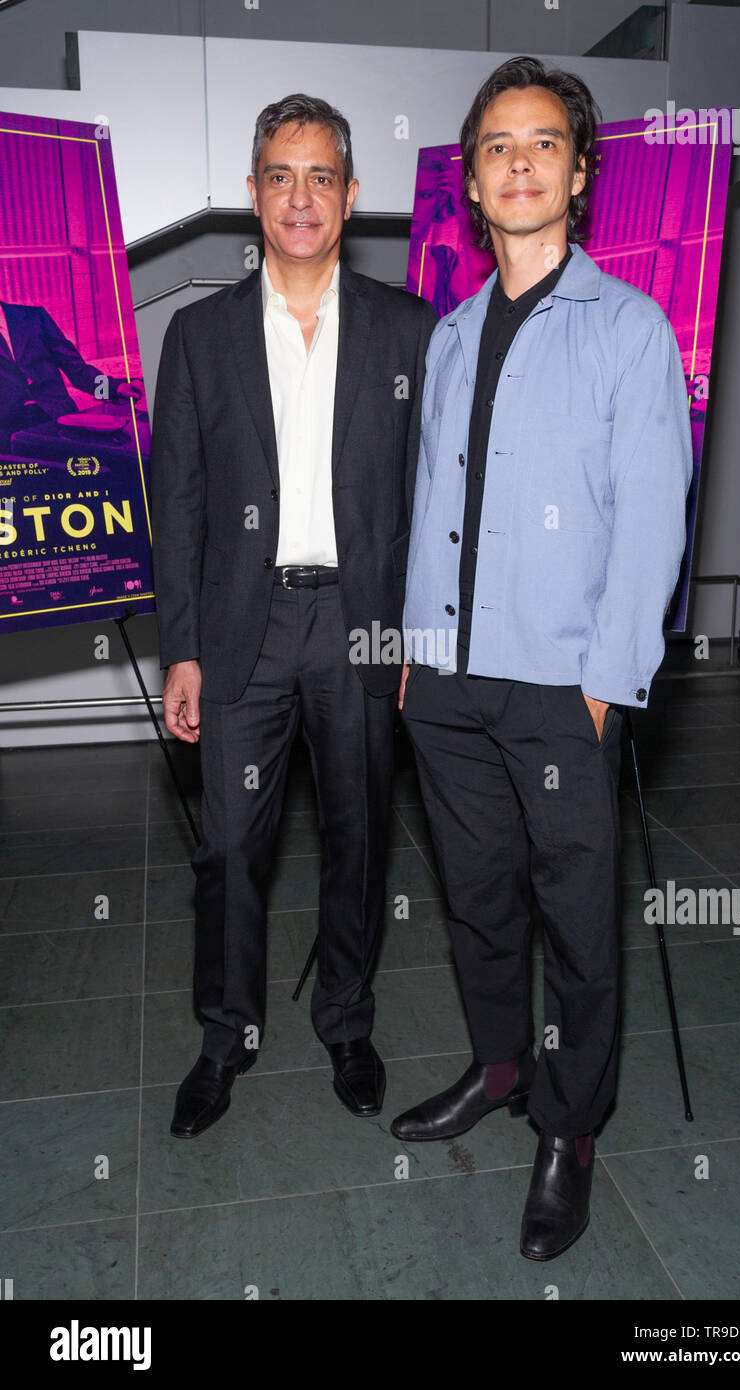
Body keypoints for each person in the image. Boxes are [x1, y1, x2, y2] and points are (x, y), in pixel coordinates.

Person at [394, 56, 693, 1260]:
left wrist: (604, 684)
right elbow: (430, 504)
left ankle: (568, 1129)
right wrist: (416, 653)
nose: (518, 163)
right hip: (448, 684)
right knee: (475, 899)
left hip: (561, 680)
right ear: (469, 182)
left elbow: (653, 519)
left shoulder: (626, 327)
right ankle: (499, 1062)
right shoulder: (453, 334)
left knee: (573, 916)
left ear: (577, 175)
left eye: (542, 145)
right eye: (495, 147)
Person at [149, 94, 436, 1139]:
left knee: (359, 838)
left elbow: (430, 501)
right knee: (228, 847)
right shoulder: (199, 336)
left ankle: (346, 1023)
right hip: (239, 629)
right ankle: (224, 1038)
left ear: (351, 196)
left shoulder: (409, 329)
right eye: (281, 174)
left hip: (361, 628)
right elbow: (173, 501)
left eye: (321, 176)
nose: (300, 195)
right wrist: (179, 647)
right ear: (253, 194)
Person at [0, 299, 141, 444]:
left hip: (60, 419)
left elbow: (76, 370)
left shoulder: (34, 317)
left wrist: (115, 388)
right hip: (7, 432)